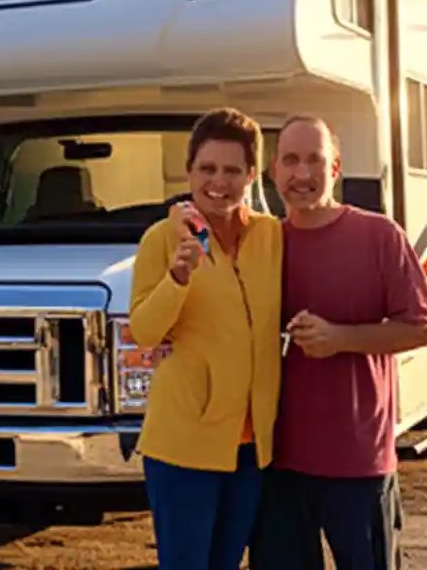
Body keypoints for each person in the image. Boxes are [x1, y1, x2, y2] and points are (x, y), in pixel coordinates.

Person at [249, 115, 427, 570]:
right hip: (276, 463)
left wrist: (340, 339)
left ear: (336, 169)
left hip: (358, 462)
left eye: (315, 160)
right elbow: (205, 239)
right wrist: (184, 217)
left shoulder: (379, 235)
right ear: (272, 172)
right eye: (290, 161)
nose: (302, 174)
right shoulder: (264, 243)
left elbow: (423, 327)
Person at [127, 107, 285, 570]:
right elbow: (144, 332)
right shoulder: (162, 238)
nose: (219, 181)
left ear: (252, 175)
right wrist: (177, 278)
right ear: (189, 171)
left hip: (251, 449)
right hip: (183, 445)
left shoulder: (272, 236)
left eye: (233, 170)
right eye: (207, 169)